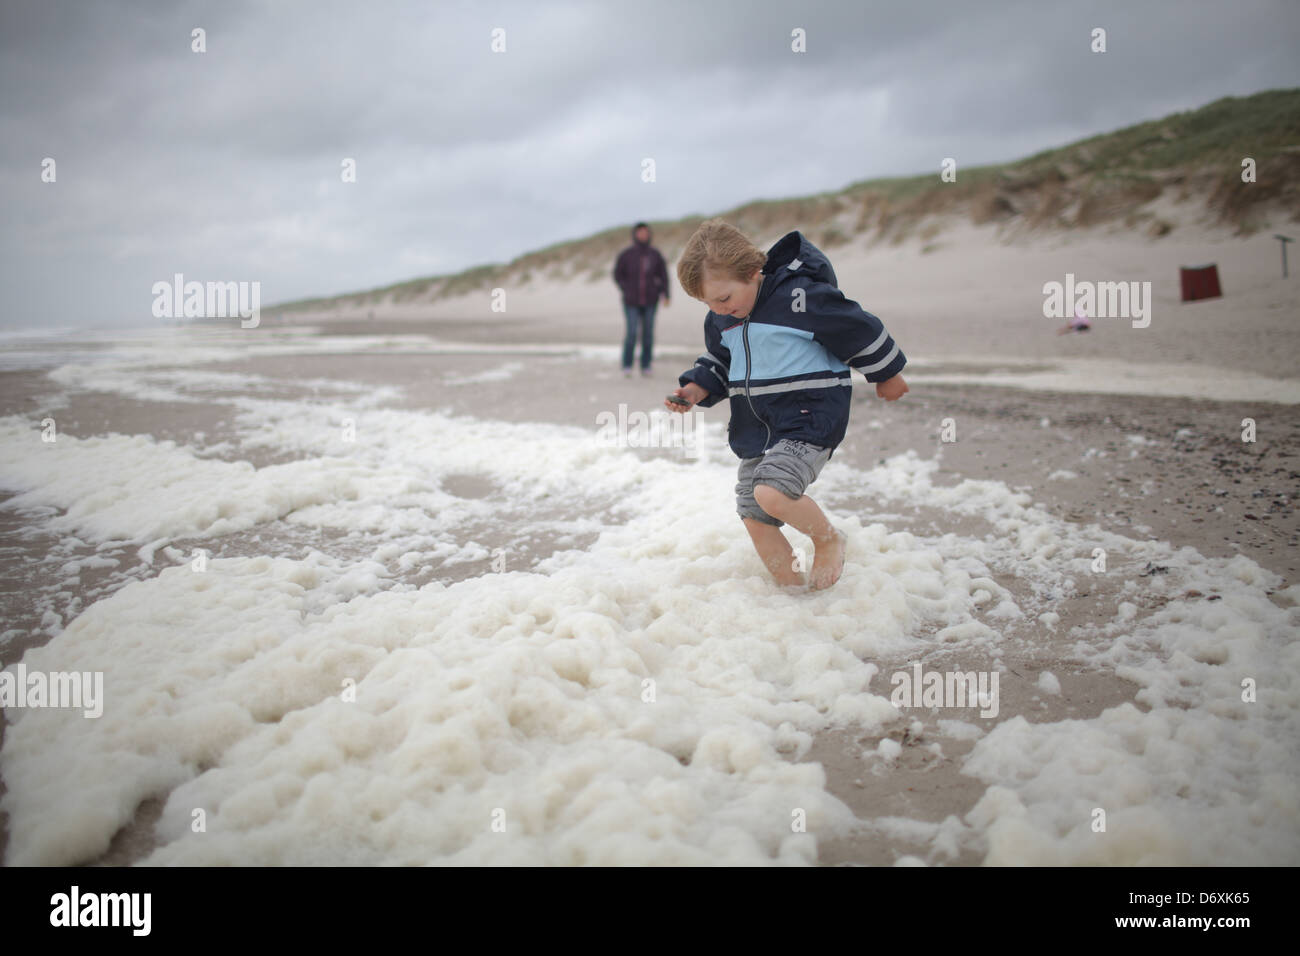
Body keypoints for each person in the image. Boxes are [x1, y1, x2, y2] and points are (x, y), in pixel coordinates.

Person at [665, 219, 909, 590]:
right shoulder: (722, 319)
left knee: (772, 492)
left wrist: (886, 373)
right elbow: (719, 360)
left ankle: (828, 538)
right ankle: (792, 592)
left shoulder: (798, 297)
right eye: (707, 302)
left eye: (724, 298)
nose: (717, 309)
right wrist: (695, 389)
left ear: (751, 271)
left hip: (810, 418)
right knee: (753, 511)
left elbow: (855, 327)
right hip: (758, 427)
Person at [612, 222, 670, 376]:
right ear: (635, 234)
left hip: (651, 300)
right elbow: (617, 274)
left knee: (648, 334)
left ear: (649, 234)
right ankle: (627, 365)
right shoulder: (627, 254)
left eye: (646, 232)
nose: (643, 235)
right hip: (631, 301)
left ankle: (646, 365)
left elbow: (663, 275)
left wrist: (666, 293)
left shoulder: (655, 254)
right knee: (631, 333)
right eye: (640, 232)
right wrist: (626, 288)